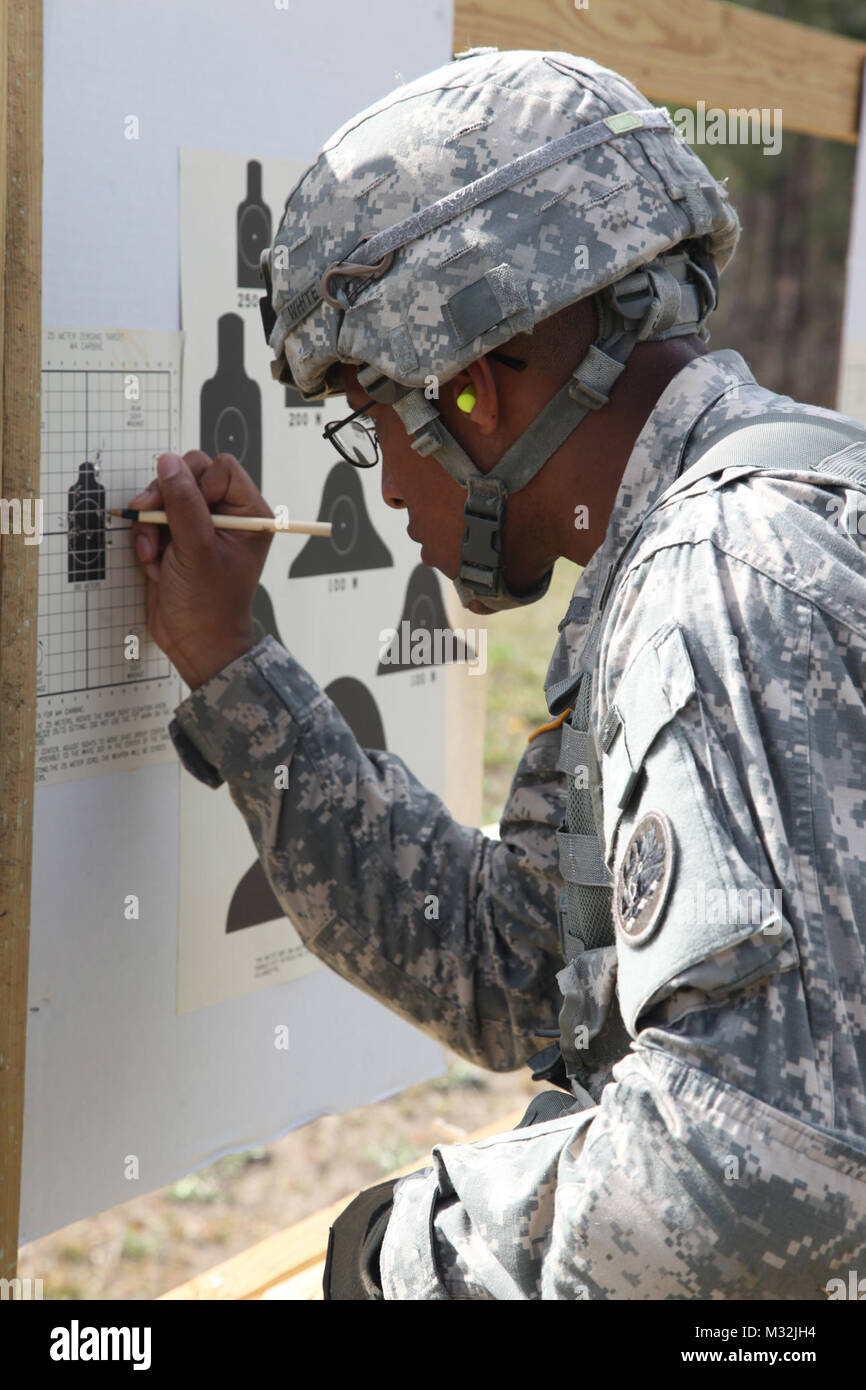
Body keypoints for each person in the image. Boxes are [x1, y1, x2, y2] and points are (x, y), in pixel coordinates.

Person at [130, 48, 866, 1299]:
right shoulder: (726, 525)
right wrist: (235, 669)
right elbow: (525, 960)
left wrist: (400, 1260)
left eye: (369, 425)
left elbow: (757, 1175)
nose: (388, 491)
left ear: (466, 387)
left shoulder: (722, 576)